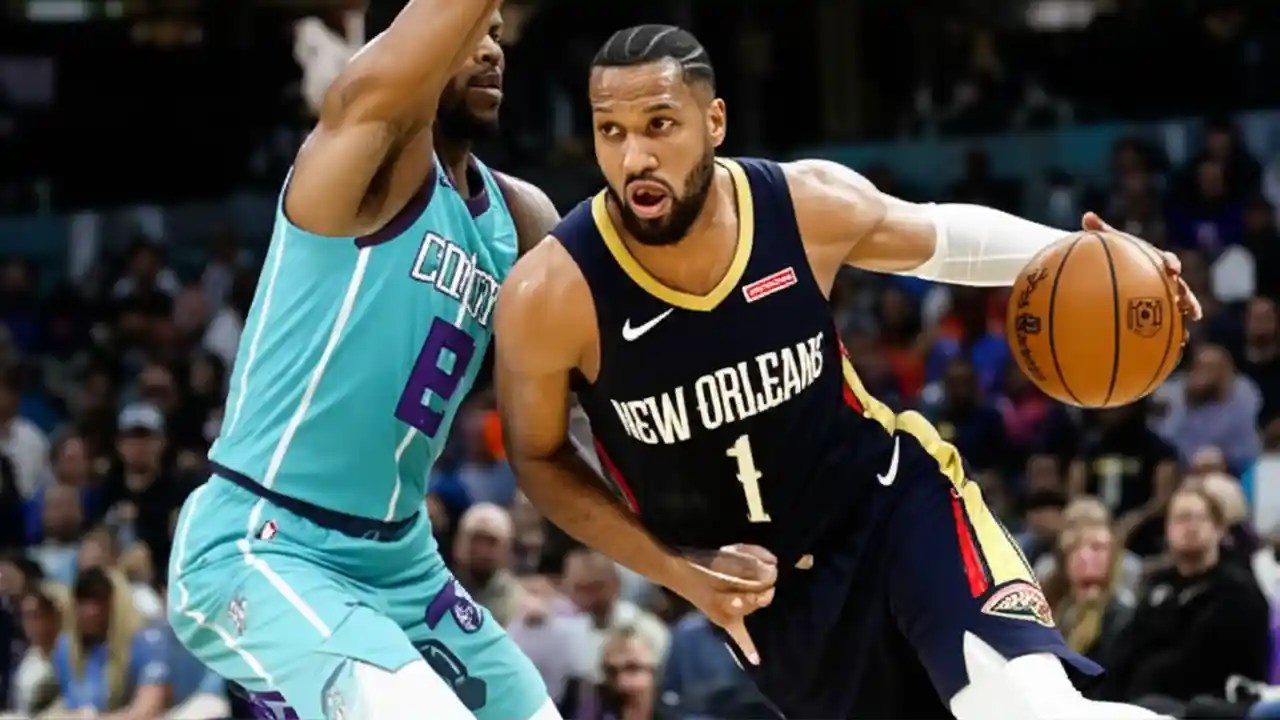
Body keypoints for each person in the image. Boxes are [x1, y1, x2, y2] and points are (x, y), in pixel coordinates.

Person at [494, 24, 1201, 720]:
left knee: (1025, 708)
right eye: (610, 131)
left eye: (659, 124)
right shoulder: (553, 292)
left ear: (714, 122)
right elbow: (539, 457)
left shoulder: (799, 205)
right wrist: (677, 573)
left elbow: (943, 238)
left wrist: (1108, 257)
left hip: (892, 508)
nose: (635, 156)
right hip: (773, 603)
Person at [166, 1, 563, 719]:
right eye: (471, 33)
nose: (491, 50)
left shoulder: (522, 217)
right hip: (263, 541)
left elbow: (601, 380)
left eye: (498, 36)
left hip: (402, 561)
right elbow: (391, 79)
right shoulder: (361, 156)